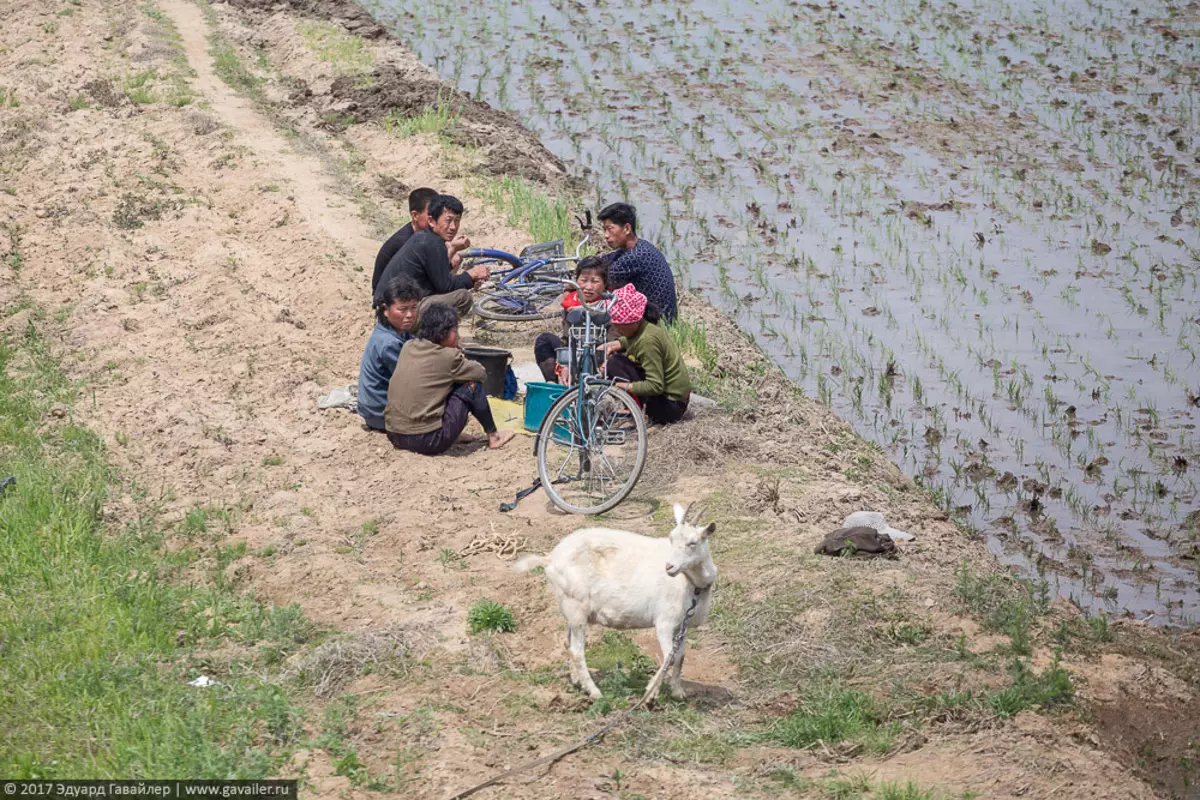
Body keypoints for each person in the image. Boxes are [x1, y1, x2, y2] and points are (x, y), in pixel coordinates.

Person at [384, 303, 515, 454]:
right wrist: (458, 354)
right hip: (427, 440)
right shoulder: (449, 357)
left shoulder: (408, 346)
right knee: (471, 385)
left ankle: (451, 432)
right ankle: (494, 436)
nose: (458, 336)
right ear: (442, 332)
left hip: (394, 434)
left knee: (443, 383)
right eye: (455, 331)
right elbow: (481, 373)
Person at [374, 195, 486, 318]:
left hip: (389, 306)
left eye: (457, 221)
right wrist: (472, 274)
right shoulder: (432, 243)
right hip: (396, 310)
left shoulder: (424, 238)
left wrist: (468, 279)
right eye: (448, 220)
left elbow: (438, 276)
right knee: (463, 297)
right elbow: (445, 286)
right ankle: (431, 335)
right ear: (432, 221)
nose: (453, 227)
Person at [603, 283, 691, 424]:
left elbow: (655, 385)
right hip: (677, 398)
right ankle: (634, 405)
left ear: (634, 321)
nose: (616, 329)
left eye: (619, 326)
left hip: (670, 405)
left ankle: (636, 411)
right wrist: (618, 344)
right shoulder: (649, 324)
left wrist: (620, 387)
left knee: (615, 364)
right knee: (617, 361)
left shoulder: (648, 341)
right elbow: (633, 338)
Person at [356, 275, 423, 432]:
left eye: (413, 308)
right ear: (386, 310)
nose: (410, 315)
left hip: (376, 409)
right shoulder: (389, 343)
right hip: (380, 414)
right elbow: (413, 380)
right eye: (402, 309)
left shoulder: (397, 331)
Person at [533, 256, 613, 383]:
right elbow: (566, 339)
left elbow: (614, 341)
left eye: (595, 281)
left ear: (604, 285)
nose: (588, 287)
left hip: (602, 354)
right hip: (575, 351)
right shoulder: (571, 304)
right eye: (583, 280)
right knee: (543, 341)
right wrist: (564, 366)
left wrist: (604, 366)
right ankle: (554, 384)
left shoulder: (611, 304)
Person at [598, 202, 678, 323]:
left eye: (610, 229)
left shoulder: (635, 256)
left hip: (657, 322)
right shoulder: (640, 246)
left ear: (627, 229)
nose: (606, 236)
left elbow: (599, 283)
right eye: (604, 230)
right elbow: (605, 259)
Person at [371, 187, 439, 294]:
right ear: (415, 216)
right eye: (431, 214)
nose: (437, 218)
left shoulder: (425, 236)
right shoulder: (403, 242)